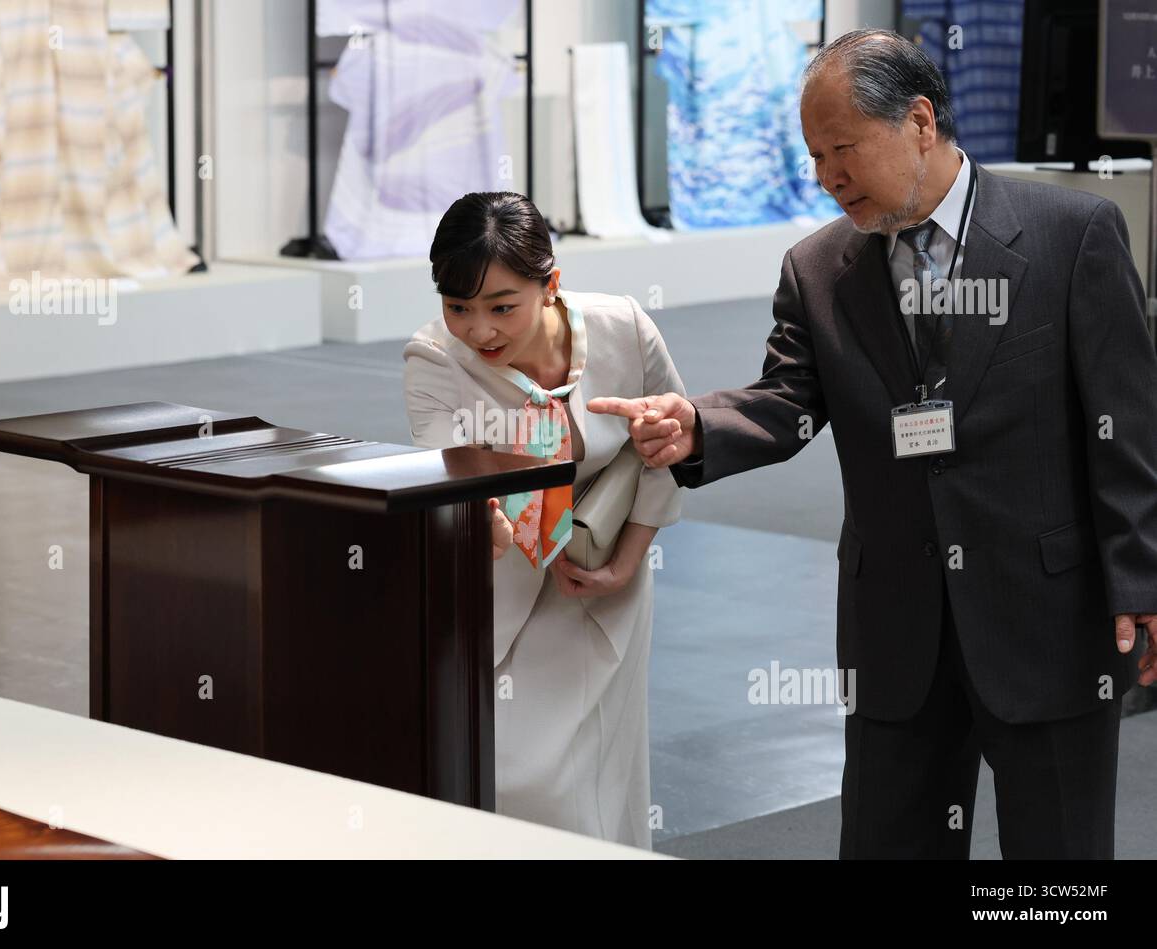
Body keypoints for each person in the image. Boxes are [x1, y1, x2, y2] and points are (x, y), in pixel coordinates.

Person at [592, 29, 1157, 858]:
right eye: (815, 156)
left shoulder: (1072, 235)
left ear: (920, 122)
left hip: (1044, 616)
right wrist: (698, 425)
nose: (828, 176)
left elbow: (1126, 424)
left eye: (843, 149)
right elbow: (788, 400)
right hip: (895, 626)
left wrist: (1141, 577)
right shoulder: (817, 269)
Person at [402, 192, 686, 848]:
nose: (480, 330)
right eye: (458, 307)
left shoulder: (624, 327)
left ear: (550, 284)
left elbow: (669, 452)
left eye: (502, 306)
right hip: (505, 579)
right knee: (514, 771)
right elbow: (458, 475)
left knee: (597, 769)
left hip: (607, 562)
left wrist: (627, 562)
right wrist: (484, 520)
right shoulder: (433, 358)